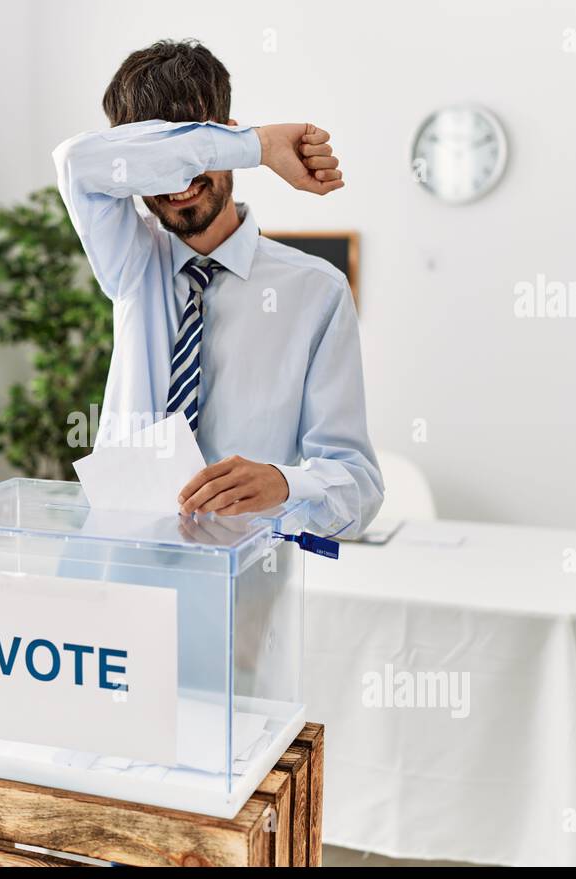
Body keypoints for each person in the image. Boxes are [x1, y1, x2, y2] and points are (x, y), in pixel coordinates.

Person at [53, 39, 382, 536]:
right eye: (160, 160)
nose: (177, 180)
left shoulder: (318, 292)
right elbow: (78, 162)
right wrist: (259, 147)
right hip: (128, 571)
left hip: (245, 585)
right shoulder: (132, 262)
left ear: (224, 135)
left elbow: (359, 488)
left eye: (192, 151)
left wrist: (284, 482)